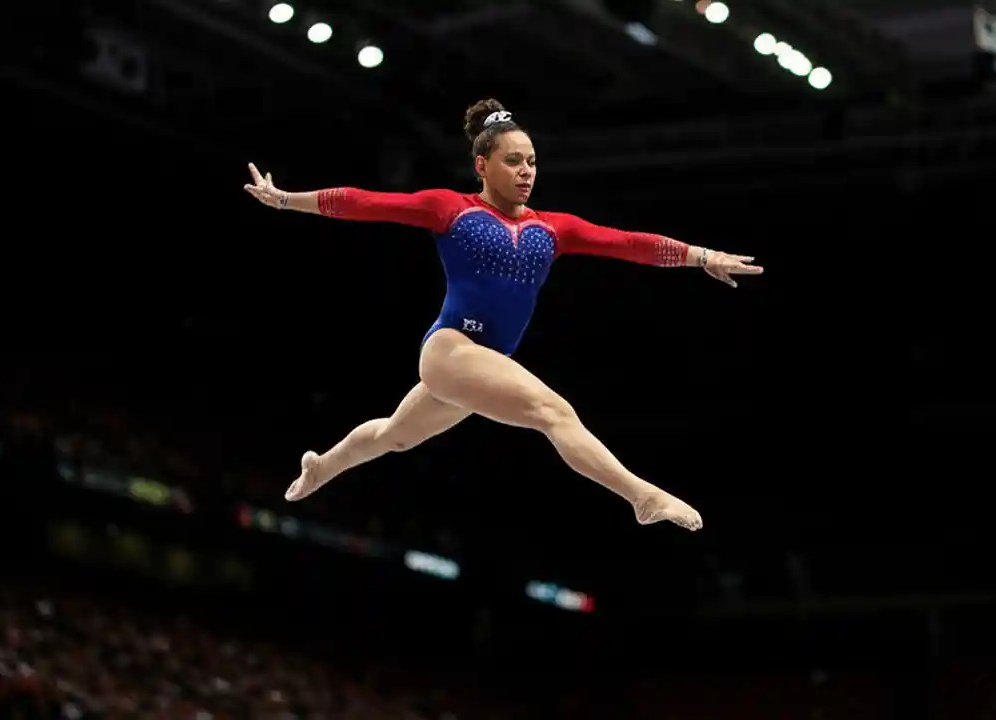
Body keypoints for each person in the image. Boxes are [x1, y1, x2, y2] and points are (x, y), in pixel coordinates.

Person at [243, 98, 762, 531]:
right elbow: (364, 202)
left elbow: (629, 244)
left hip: (485, 362)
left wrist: (703, 256)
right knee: (553, 412)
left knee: (394, 436)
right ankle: (642, 496)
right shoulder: (451, 208)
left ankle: (322, 467)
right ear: (482, 166)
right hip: (451, 348)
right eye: (513, 161)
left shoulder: (553, 228)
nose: (526, 171)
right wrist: (285, 200)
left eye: (531, 161)